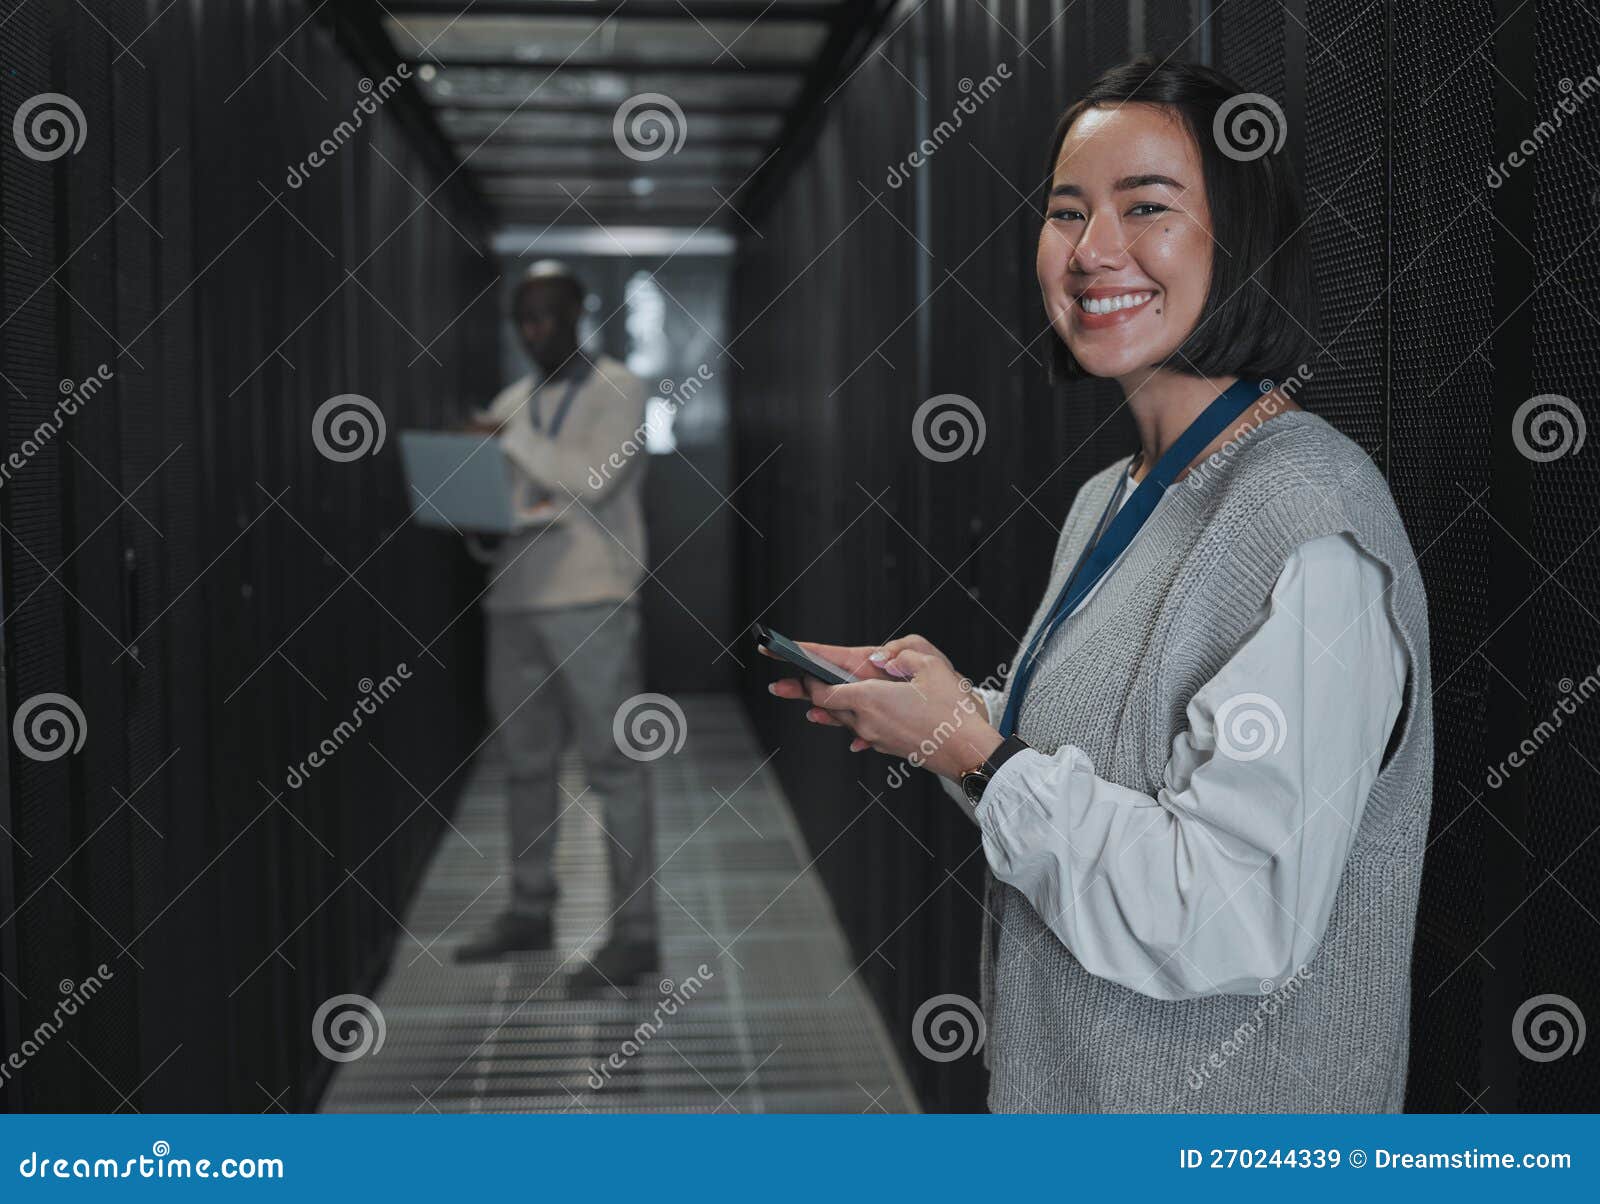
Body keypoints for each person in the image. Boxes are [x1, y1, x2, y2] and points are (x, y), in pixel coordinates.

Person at [766, 57, 1432, 1112]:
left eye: (1147, 207)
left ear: (1240, 235)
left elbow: (1232, 913)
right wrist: (945, 710)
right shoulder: (1111, 496)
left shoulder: (1310, 522)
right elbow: (1103, 759)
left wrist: (974, 751)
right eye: (1067, 212)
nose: (1091, 251)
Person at [454, 260, 659, 991]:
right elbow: (500, 501)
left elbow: (593, 480)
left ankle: (636, 934)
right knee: (524, 765)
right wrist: (470, 505)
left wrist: (506, 439)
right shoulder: (512, 401)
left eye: (548, 316)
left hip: (590, 601)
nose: (535, 332)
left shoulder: (620, 389)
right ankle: (530, 908)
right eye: (524, 320)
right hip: (513, 599)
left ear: (578, 317)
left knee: (614, 767)